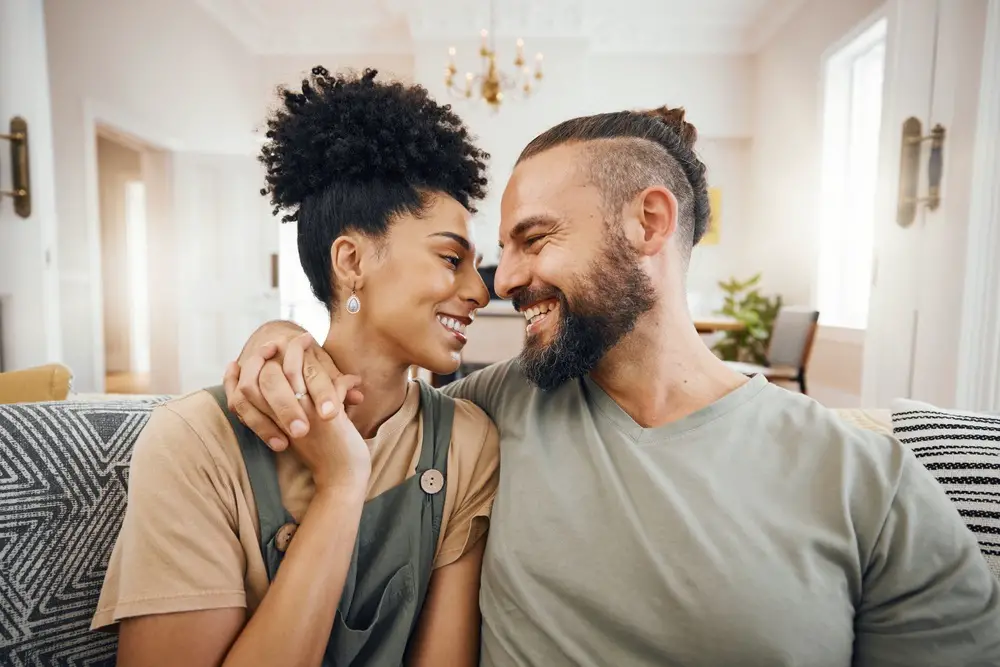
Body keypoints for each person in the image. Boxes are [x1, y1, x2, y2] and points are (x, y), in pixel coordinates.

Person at [225, 106, 1000, 665]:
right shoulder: (487, 414)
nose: (506, 280)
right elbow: (371, 404)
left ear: (650, 223)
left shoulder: (868, 481)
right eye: (501, 250)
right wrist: (288, 342)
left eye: (534, 240)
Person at [91, 67, 501, 667]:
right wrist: (340, 486)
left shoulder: (467, 442)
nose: (480, 292)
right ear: (351, 259)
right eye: (450, 258)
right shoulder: (196, 442)